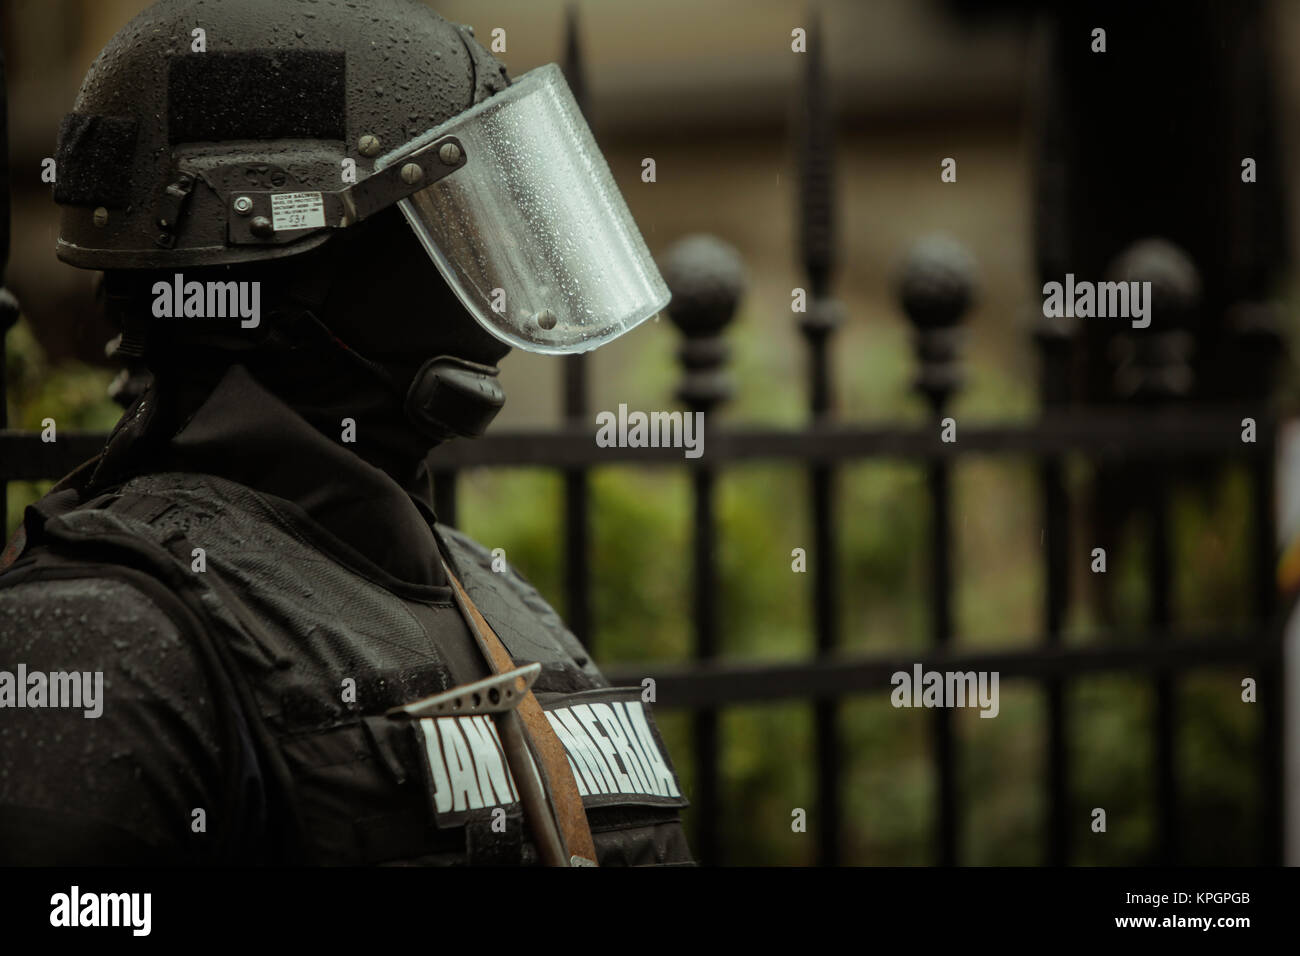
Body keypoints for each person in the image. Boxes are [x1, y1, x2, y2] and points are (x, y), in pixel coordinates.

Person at [0, 0, 691, 866]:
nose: (495, 284)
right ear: (282, 232)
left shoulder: (482, 595)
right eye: (449, 221)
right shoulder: (99, 633)